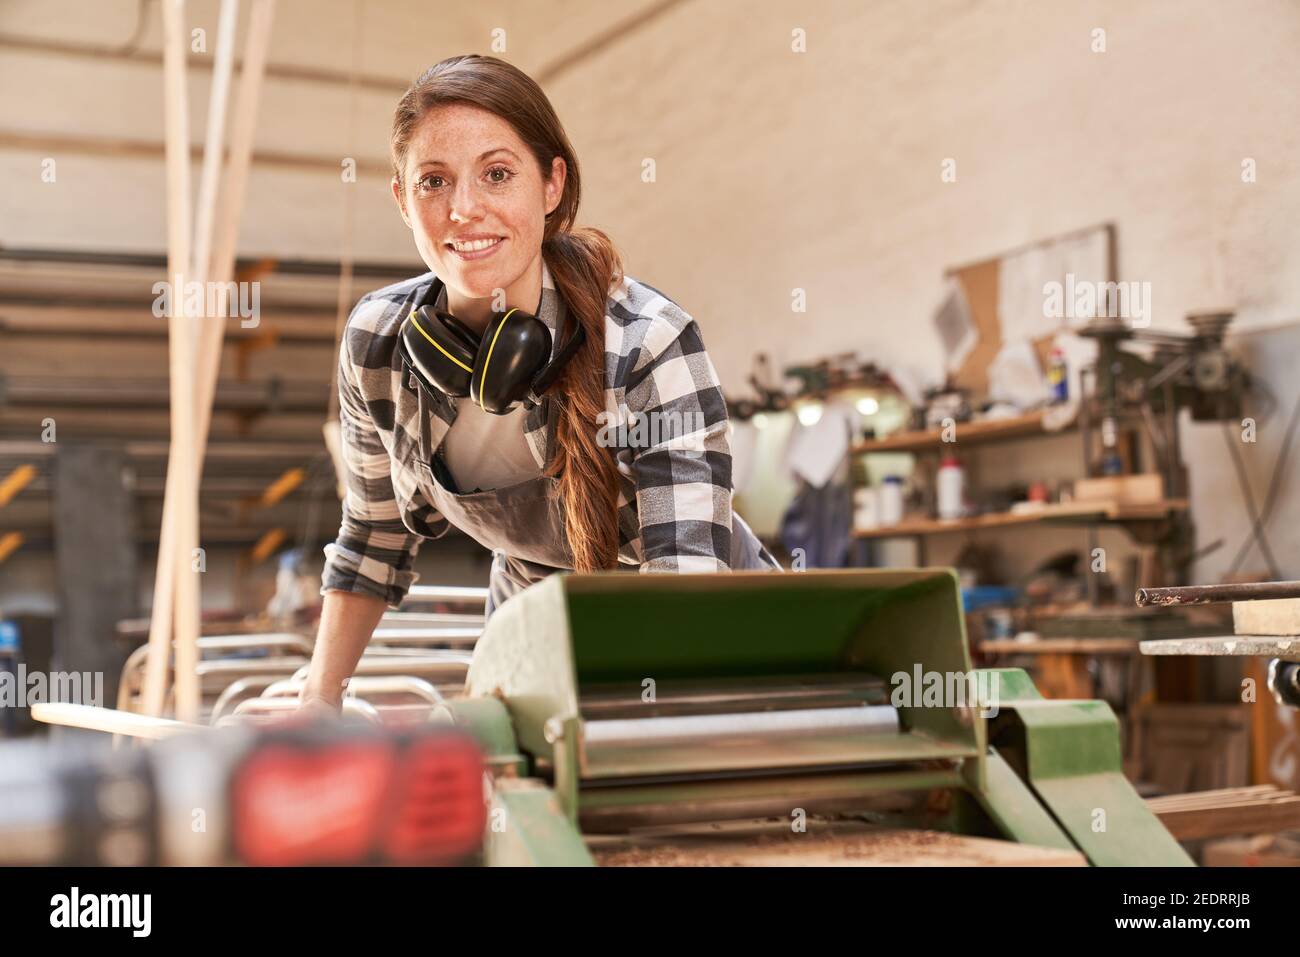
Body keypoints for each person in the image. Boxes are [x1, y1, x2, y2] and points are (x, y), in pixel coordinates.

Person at [299, 55, 777, 717]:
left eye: (497, 174)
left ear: (551, 185)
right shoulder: (377, 346)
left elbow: (685, 587)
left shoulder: (648, 345)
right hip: (533, 620)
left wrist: (622, 725)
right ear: (403, 200)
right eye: (434, 181)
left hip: (714, 636)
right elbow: (372, 539)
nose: (464, 210)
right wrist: (318, 702)